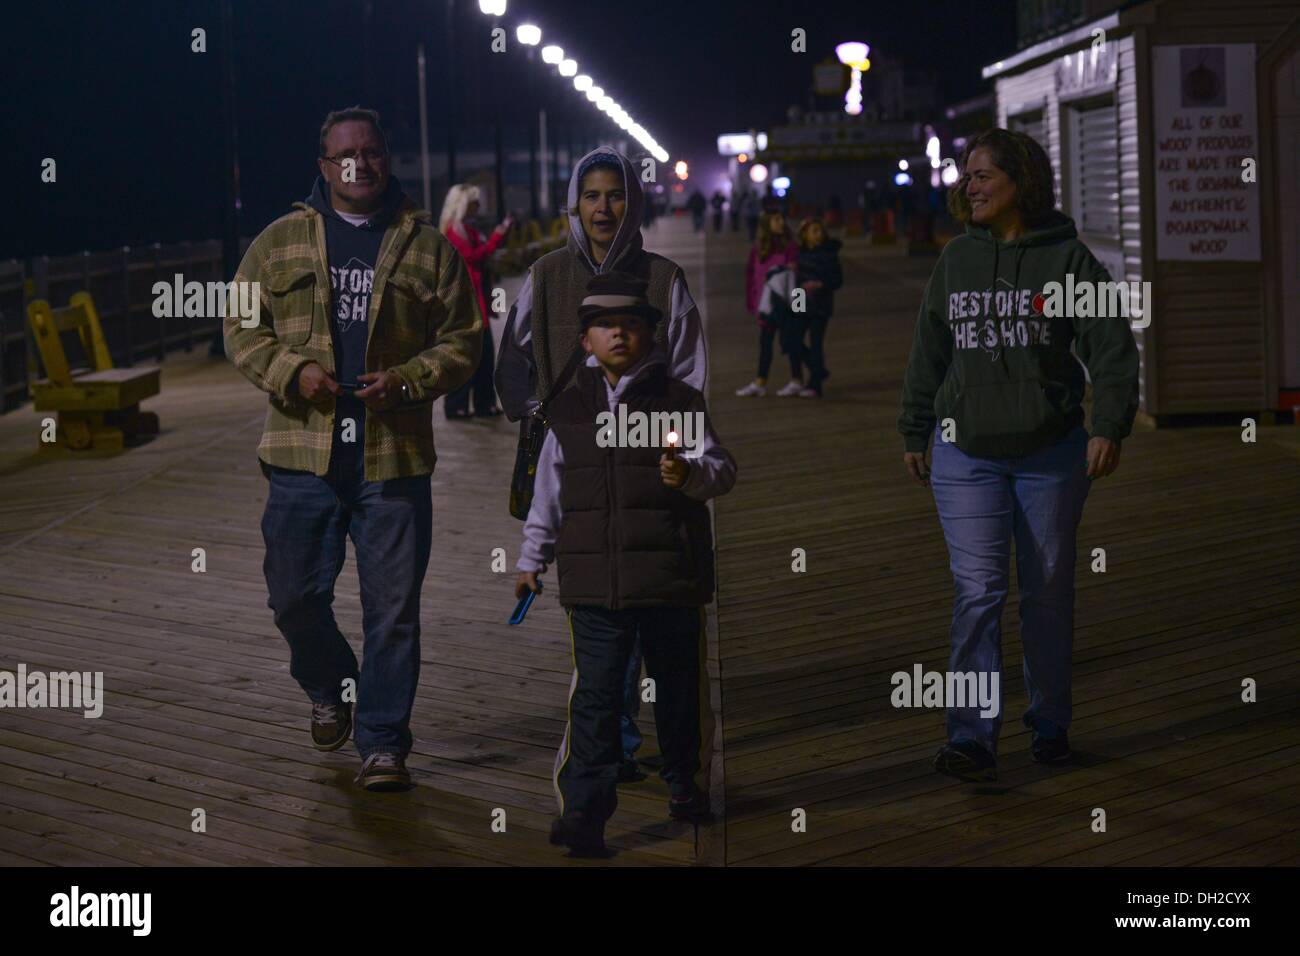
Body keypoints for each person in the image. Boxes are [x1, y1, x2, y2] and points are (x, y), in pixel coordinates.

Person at [223, 106, 483, 792]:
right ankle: (330, 686)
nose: (358, 165)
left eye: (370, 152)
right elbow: (242, 326)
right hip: (300, 454)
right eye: (344, 155)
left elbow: (464, 339)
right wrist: (290, 372)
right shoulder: (278, 241)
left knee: (392, 611)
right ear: (323, 166)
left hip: (391, 456)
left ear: (387, 157)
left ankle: (383, 744)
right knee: (291, 599)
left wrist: (408, 380)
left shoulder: (428, 247)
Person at [897, 128, 1139, 783]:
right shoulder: (957, 261)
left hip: (1049, 453)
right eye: (966, 176)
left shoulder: (1067, 260)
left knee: (1048, 594)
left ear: (1020, 182)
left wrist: (1109, 425)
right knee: (978, 591)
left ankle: (1050, 724)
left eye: (982, 175)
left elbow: (1113, 348)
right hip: (965, 453)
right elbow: (929, 351)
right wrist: (915, 429)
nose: (968, 187)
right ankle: (971, 736)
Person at [496, 145, 709, 783]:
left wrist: (682, 449)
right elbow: (512, 356)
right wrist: (536, 413)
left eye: (615, 194)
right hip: (581, 472)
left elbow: (691, 375)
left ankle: (655, 751)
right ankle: (612, 742)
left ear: (633, 201)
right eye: (591, 195)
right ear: (574, 203)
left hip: (649, 472)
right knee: (596, 610)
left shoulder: (665, 278)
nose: (604, 207)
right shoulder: (546, 274)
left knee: (648, 608)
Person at [514, 272, 737, 856]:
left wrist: (690, 475)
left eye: (631, 324)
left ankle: (685, 783)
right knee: (595, 696)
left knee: (678, 690)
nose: (618, 334)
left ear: (650, 335)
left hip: (670, 579)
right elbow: (549, 493)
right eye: (604, 326)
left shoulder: (679, 402)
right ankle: (585, 815)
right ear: (585, 339)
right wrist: (531, 558)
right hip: (593, 583)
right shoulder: (567, 410)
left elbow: (722, 469)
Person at [439, 183, 512, 419]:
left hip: (477, 300)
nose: (478, 206)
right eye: (474, 202)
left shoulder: (466, 230)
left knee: (483, 356)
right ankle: (458, 404)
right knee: (468, 355)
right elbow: (473, 257)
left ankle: (483, 403)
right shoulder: (453, 232)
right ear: (463, 204)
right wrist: (498, 235)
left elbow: (482, 255)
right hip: (466, 304)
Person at [735, 211, 801, 397]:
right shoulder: (758, 249)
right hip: (766, 305)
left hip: (786, 305)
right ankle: (760, 382)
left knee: (791, 342)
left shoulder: (791, 247)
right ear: (766, 224)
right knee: (765, 344)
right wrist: (752, 302)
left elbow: (797, 280)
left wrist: (799, 308)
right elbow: (751, 277)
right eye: (776, 219)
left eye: (782, 218)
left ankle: (797, 380)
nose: (781, 222)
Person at [792, 217, 843, 398]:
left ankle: (815, 385)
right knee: (793, 339)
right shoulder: (799, 252)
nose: (819, 234)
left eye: (820, 231)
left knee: (816, 344)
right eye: (814, 231)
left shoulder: (828, 253)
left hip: (820, 304)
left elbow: (837, 280)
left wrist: (820, 284)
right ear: (804, 234)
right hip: (799, 299)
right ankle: (818, 370)